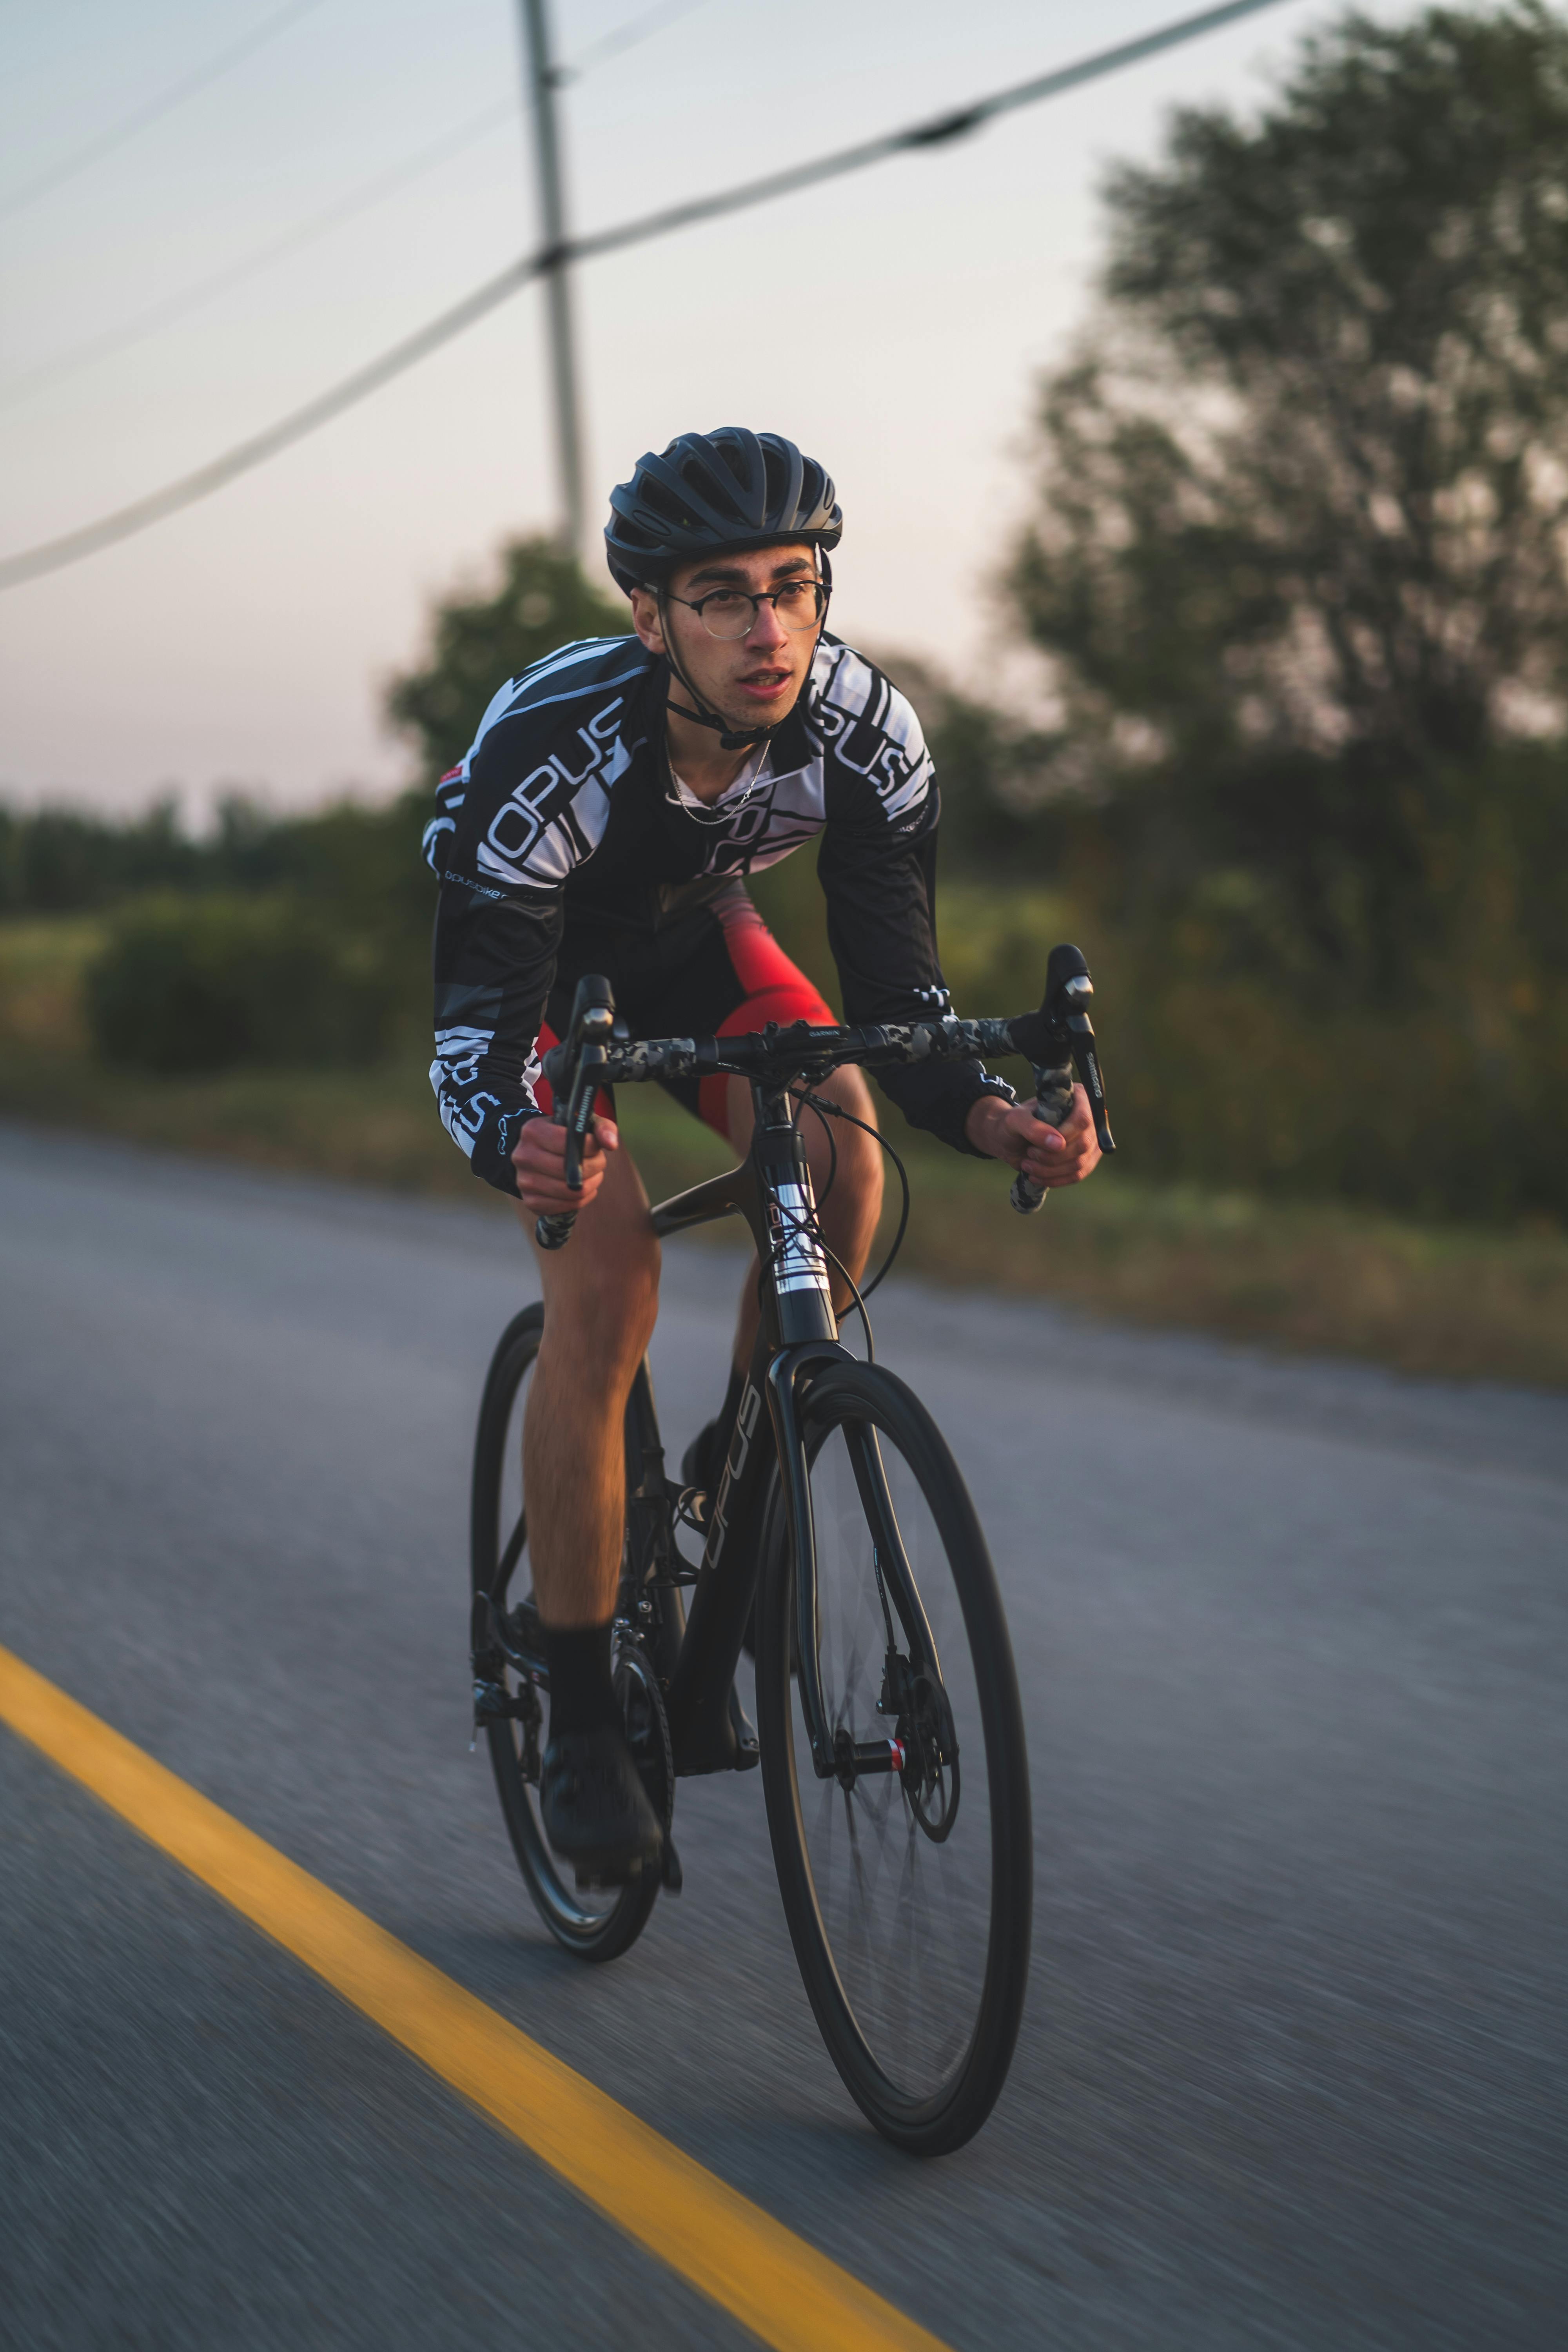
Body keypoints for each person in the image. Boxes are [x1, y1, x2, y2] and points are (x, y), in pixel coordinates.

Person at [426, 427, 1101, 1883]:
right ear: (649, 616)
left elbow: (901, 1003)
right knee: (609, 1281)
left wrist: (991, 1112)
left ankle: (743, 1466)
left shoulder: (867, 733)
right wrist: (515, 1144)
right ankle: (580, 1715)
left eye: (793, 587)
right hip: (549, 977)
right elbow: (473, 1041)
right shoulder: (554, 750)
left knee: (849, 1153)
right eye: (723, 596)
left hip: (700, 931)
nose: (768, 629)